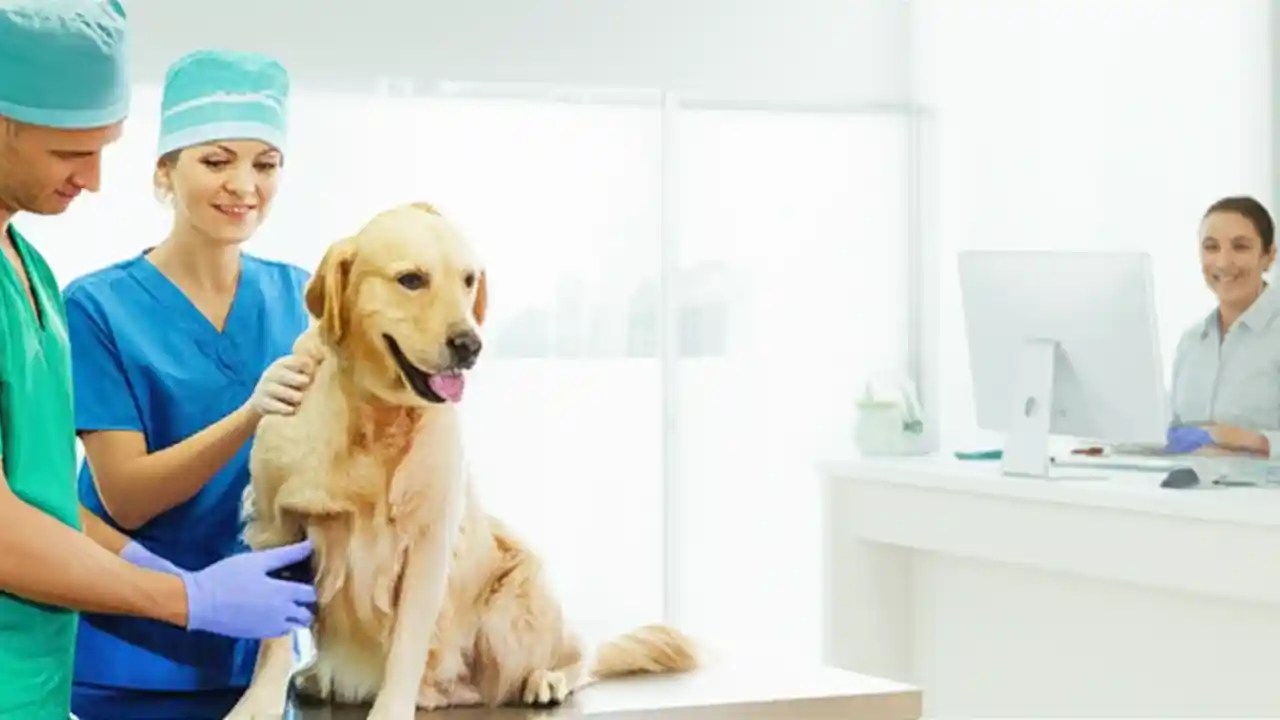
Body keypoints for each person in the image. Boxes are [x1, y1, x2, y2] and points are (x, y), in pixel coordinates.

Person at [0, 5, 315, 718]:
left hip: (57, 667)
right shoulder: (99, 304)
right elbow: (47, 517)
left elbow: (46, 499)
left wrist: (270, 668)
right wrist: (189, 594)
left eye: (266, 163)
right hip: (116, 655)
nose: (92, 179)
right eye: (67, 152)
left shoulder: (34, 279)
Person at [1166, 195, 1280, 459]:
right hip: (1192, 495)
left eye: (1240, 247)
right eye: (1211, 247)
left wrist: (1253, 440)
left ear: (1269, 255)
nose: (1222, 262)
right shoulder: (1192, 342)